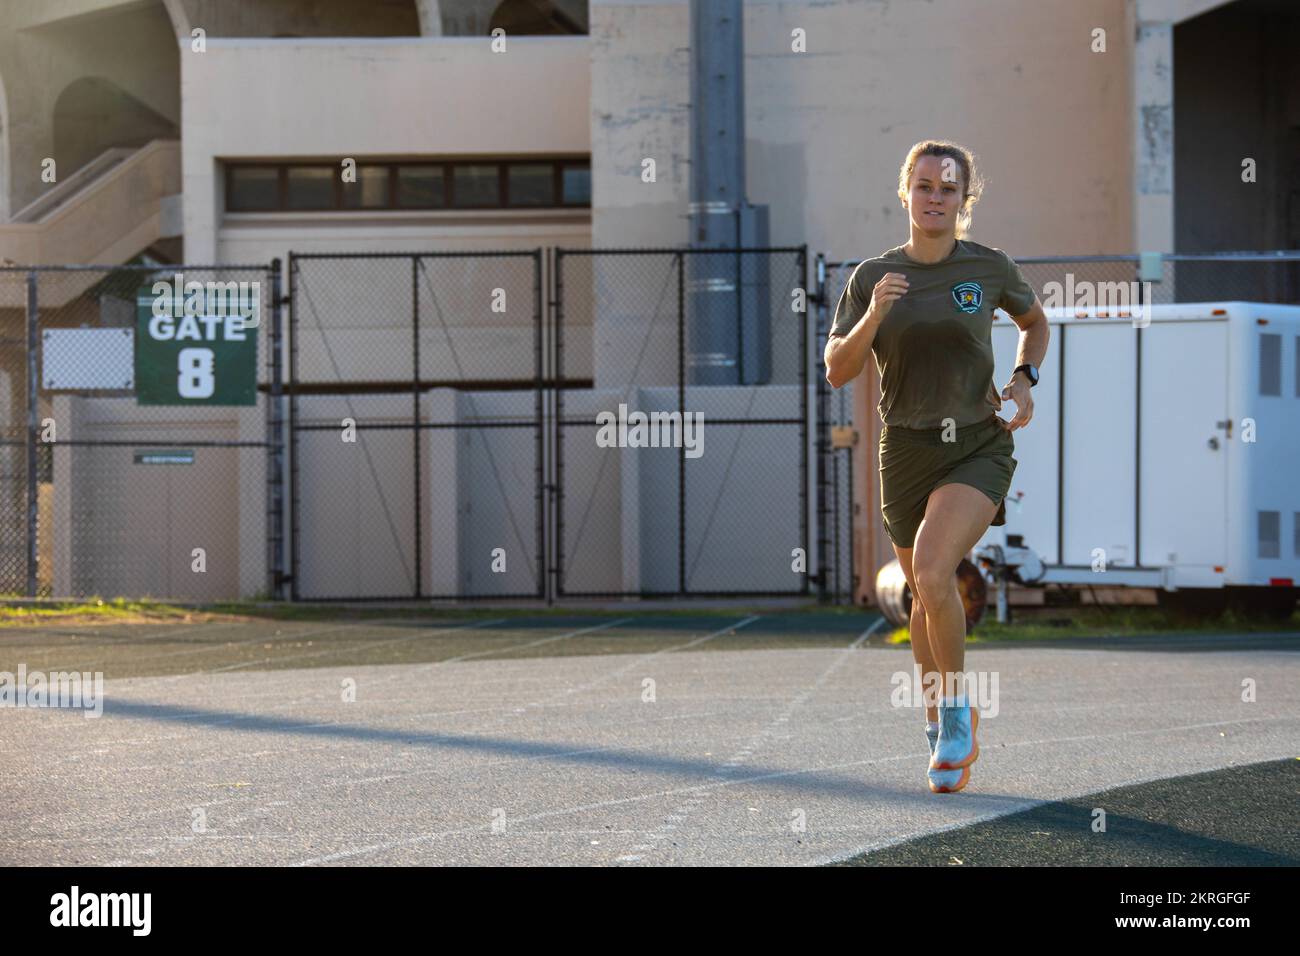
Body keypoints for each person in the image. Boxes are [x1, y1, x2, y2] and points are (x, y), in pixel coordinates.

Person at [825, 140, 1050, 793]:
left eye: (947, 189)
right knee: (925, 596)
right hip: (906, 450)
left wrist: (1025, 378)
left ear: (963, 199)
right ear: (906, 193)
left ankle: (956, 712)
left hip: (977, 443)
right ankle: (935, 716)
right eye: (923, 186)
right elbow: (838, 368)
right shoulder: (872, 276)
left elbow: (1035, 323)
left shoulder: (990, 267)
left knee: (929, 568)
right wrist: (875, 313)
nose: (934, 198)